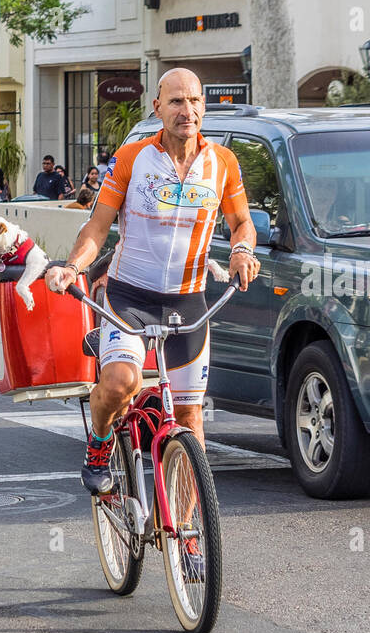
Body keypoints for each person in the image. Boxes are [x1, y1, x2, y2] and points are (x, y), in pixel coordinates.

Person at [44, 69, 258, 572]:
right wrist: (73, 266)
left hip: (187, 304)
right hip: (129, 296)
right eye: (177, 101)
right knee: (121, 382)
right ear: (158, 106)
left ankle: (186, 535)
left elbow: (242, 221)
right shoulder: (133, 158)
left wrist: (244, 249)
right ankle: (100, 447)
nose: (189, 110)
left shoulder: (222, 163)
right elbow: (97, 226)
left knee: (190, 421)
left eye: (197, 101)